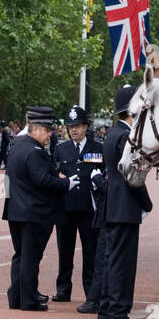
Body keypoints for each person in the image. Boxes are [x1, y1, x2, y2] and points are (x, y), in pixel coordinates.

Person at [2, 107, 74, 311]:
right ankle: (29, 300)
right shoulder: (34, 151)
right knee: (30, 258)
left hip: (16, 210)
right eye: (46, 130)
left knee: (20, 256)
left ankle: (17, 297)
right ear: (34, 129)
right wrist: (66, 183)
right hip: (33, 212)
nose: (49, 134)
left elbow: (8, 179)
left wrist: (10, 203)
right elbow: (43, 180)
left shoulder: (16, 146)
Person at [95, 84, 153, 319]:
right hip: (125, 205)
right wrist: (147, 203)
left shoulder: (112, 134)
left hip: (113, 204)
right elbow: (134, 175)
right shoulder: (126, 137)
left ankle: (107, 313)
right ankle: (118, 314)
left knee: (112, 260)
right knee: (122, 264)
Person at [52, 105, 103, 304]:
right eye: (70, 126)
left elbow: (103, 172)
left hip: (88, 209)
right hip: (66, 208)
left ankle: (90, 291)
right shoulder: (60, 149)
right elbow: (54, 170)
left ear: (85, 127)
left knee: (90, 252)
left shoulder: (97, 149)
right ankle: (63, 289)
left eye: (77, 126)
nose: (73, 130)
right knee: (65, 251)